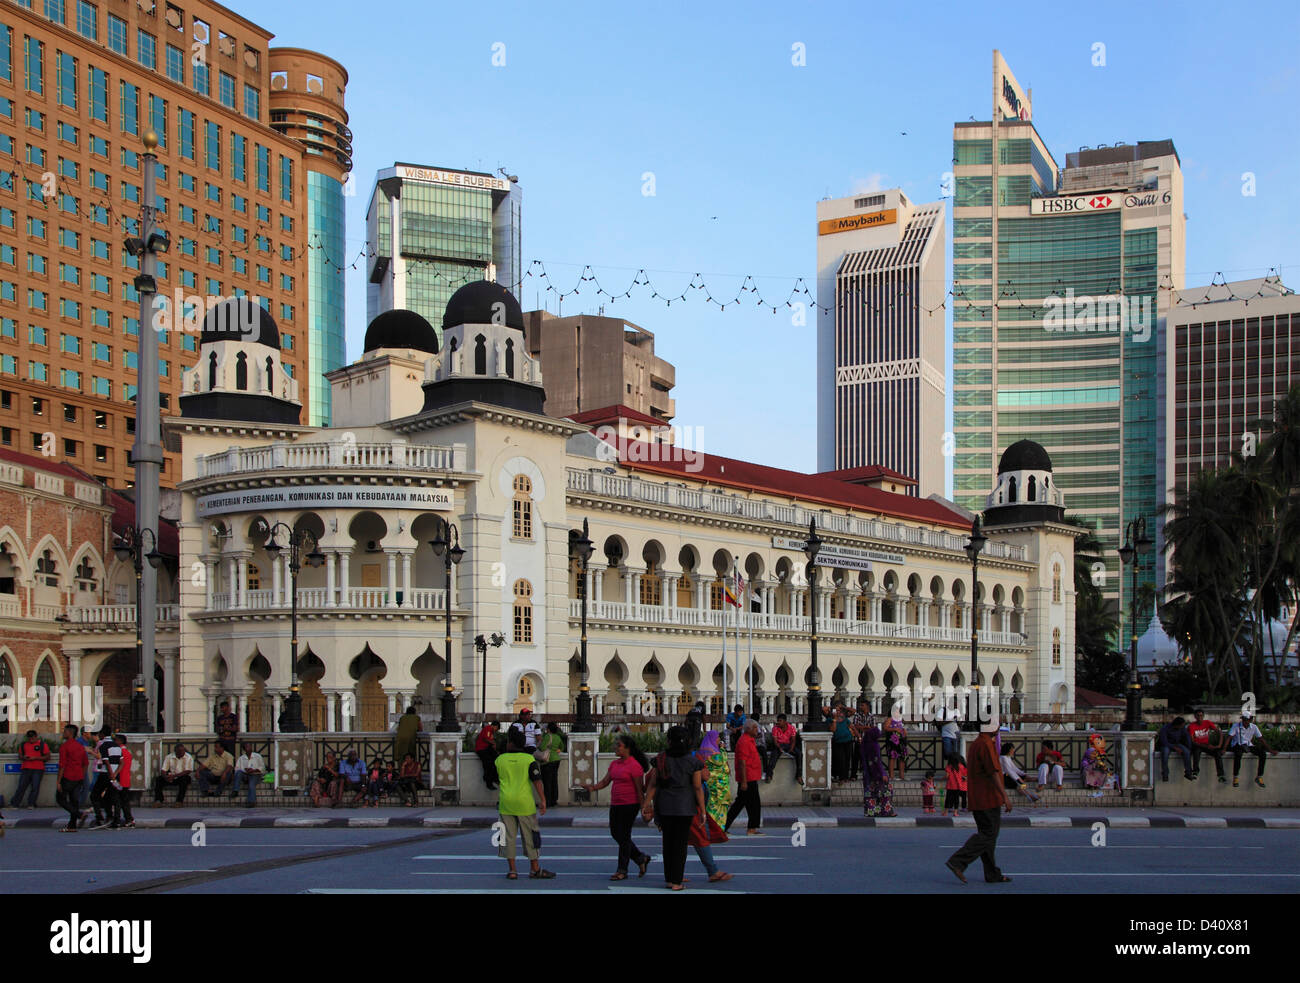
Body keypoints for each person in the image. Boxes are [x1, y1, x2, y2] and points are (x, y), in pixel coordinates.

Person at [945, 714, 1012, 884]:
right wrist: (1004, 796)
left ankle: (992, 873)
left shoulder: (977, 743)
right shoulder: (985, 744)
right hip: (988, 798)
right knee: (988, 835)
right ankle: (958, 861)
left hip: (979, 798)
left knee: (987, 837)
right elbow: (993, 772)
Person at [642, 726, 707, 891]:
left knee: (668, 844)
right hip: (685, 808)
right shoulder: (692, 761)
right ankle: (677, 881)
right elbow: (698, 787)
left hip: (664, 807)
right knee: (680, 845)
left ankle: (670, 879)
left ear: (669, 741)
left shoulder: (661, 758)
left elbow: (653, 783)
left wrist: (646, 803)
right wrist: (703, 810)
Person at [582, 734, 651, 880]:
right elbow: (606, 781)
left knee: (624, 836)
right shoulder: (615, 764)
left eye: (619, 745)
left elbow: (640, 790)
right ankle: (640, 858)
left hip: (630, 804)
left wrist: (644, 808)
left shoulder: (635, 766)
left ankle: (622, 870)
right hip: (616, 804)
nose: (615, 747)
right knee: (616, 834)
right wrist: (592, 788)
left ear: (627, 748)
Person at [497, 727, 553, 880]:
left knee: (508, 837)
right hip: (525, 804)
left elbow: (497, 777)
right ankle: (534, 869)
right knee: (531, 836)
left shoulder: (500, 759)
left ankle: (512, 870)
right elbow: (537, 781)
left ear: (510, 743)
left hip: (506, 803)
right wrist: (543, 800)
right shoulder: (529, 760)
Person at [691, 730, 733, 883]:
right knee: (711, 811)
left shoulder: (701, 752)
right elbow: (722, 762)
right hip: (714, 786)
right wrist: (722, 749)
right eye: (718, 739)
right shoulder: (712, 752)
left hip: (713, 786)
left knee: (711, 810)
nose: (719, 741)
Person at [724, 719, 764, 835]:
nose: (757, 730)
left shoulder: (750, 740)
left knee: (744, 803)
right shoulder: (744, 742)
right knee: (750, 804)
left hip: (751, 777)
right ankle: (751, 828)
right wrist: (744, 782)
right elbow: (742, 762)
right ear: (748, 729)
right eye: (755, 728)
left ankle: (726, 827)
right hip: (747, 778)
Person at [1228, 711, 1277, 789]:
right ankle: (1236, 777)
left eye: (1246, 720)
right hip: (1237, 745)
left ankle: (1259, 776)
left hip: (1248, 745)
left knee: (1262, 754)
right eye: (1243, 720)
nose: (1245, 722)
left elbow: (1261, 739)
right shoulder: (1236, 726)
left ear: (1250, 720)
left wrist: (1270, 750)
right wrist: (1224, 748)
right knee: (1238, 754)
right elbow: (1229, 737)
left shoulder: (1254, 727)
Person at [860, 713, 895, 817]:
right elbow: (877, 761)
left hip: (868, 774)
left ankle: (871, 811)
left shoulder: (864, 745)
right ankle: (886, 811)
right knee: (886, 792)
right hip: (877, 774)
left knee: (870, 794)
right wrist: (882, 774)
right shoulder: (874, 745)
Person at [56, 723, 89, 833]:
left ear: (69, 733)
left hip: (67, 776)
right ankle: (72, 825)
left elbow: (62, 765)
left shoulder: (65, 746)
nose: (63, 733)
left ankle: (80, 814)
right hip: (79, 777)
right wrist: (82, 775)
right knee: (74, 801)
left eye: (65, 731)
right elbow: (85, 763)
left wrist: (58, 781)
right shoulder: (80, 746)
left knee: (60, 799)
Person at [89, 730, 122, 829]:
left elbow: (106, 761)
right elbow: (122, 762)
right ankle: (115, 820)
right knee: (113, 797)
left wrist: (111, 774)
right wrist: (115, 774)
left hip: (105, 774)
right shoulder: (117, 746)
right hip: (115, 774)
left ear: (102, 734)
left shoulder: (103, 746)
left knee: (94, 795)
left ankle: (99, 818)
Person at [13, 729, 50, 808]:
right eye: (29, 738)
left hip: (38, 769)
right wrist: (24, 757)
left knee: (35, 787)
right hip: (26, 768)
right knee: (21, 786)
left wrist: (35, 758)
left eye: (32, 737)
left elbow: (47, 757)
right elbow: (20, 756)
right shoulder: (23, 745)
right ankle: (15, 803)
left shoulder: (42, 745)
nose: (31, 739)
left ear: (36, 737)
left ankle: (31, 803)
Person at [1188, 709, 1227, 782]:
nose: (1200, 717)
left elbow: (1220, 733)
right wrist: (1205, 746)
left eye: (1201, 716)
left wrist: (1219, 745)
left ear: (1203, 716)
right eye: (1198, 716)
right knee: (1196, 752)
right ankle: (1195, 771)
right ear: (1195, 716)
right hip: (1197, 745)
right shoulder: (1192, 726)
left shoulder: (1207, 723)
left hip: (1206, 745)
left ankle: (1220, 774)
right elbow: (1192, 741)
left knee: (1217, 753)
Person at [154, 742, 194, 807]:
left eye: (183, 750)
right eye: (180, 751)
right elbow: (163, 770)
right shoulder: (169, 757)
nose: (182, 752)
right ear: (175, 751)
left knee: (184, 779)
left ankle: (179, 801)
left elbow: (188, 771)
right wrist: (166, 777)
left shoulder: (188, 757)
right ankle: (158, 800)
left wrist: (174, 776)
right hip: (171, 776)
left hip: (181, 777)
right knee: (159, 779)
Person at [765, 713, 801, 784]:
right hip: (779, 745)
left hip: (788, 745)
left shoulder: (791, 728)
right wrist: (779, 748)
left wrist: (791, 748)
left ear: (785, 721)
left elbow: (793, 740)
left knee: (799, 754)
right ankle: (769, 775)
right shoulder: (775, 728)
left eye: (780, 721)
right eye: (778, 720)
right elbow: (775, 741)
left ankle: (799, 775)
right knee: (774, 755)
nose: (778, 722)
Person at [1156, 716, 1195, 782]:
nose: (1182, 727)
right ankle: (1165, 773)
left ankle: (1188, 773)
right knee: (1165, 753)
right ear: (1177, 725)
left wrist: (1189, 747)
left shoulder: (1182, 729)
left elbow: (1187, 737)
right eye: (1181, 726)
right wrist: (1175, 748)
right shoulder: (1165, 728)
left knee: (1186, 752)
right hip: (1167, 744)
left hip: (1176, 743)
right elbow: (1163, 741)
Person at [536, 721, 565, 808]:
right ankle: (554, 800)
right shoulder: (558, 737)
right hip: (556, 760)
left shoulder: (547, 736)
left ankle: (547, 801)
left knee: (547, 781)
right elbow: (562, 747)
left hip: (547, 761)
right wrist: (555, 750)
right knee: (554, 780)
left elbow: (542, 748)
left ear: (548, 729)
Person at [231, 742, 266, 807]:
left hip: (255, 774)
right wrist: (245, 770)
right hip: (246, 775)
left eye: (249, 746)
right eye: (246, 747)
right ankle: (235, 790)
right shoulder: (241, 758)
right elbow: (237, 768)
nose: (248, 748)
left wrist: (254, 770)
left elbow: (263, 768)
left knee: (251, 784)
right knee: (238, 773)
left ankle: (251, 801)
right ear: (244, 749)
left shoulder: (257, 756)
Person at [113, 733, 135, 828]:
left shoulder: (119, 752)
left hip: (120, 779)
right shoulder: (127, 752)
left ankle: (117, 820)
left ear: (120, 741)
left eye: (116, 740)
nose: (114, 742)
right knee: (125, 801)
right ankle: (129, 819)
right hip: (126, 780)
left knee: (118, 801)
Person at [882, 706, 909, 782]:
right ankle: (891, 776)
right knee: (892, 757)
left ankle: (902, 775)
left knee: (902, 758)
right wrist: (894, 729)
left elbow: (902, 727)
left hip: (901, 741)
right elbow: (885, 728)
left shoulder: (900, 720)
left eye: (898, 712)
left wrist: (904, 731)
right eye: (896, 711)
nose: (897, 713)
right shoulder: (890, 719)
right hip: (892, 741)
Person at [475, 719, 500, 790]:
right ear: (494, 726)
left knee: (494, 761)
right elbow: (486, 739)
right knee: (488, 764)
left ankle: (494, 778)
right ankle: (489, 780)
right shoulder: (488, 729)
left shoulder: (490, 731)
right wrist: (493, 743)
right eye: (496, 728)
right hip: (482, 749)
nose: (496, 730)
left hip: (485, 749)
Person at [831, 706, 853, 783]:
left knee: (847, 758)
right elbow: (833, 729)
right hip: (838, 742)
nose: (837, 712)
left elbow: (852, 727)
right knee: (840, 759)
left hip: (848, 741)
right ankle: (841, 777)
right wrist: (834, 719)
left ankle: (845, 777)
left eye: (839, 710)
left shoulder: (844, 719)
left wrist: (859, 737)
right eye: (836, 710)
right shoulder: (832, 719)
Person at [943, 753, 967, 817]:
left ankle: (945, 812)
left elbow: (947, 776)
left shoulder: (949, 767)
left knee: (948, 799)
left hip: (950, 786)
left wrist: (942, 778)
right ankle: (955, 812)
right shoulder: (961, 766)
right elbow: (965, 773)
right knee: (956, 799)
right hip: (958, 786)